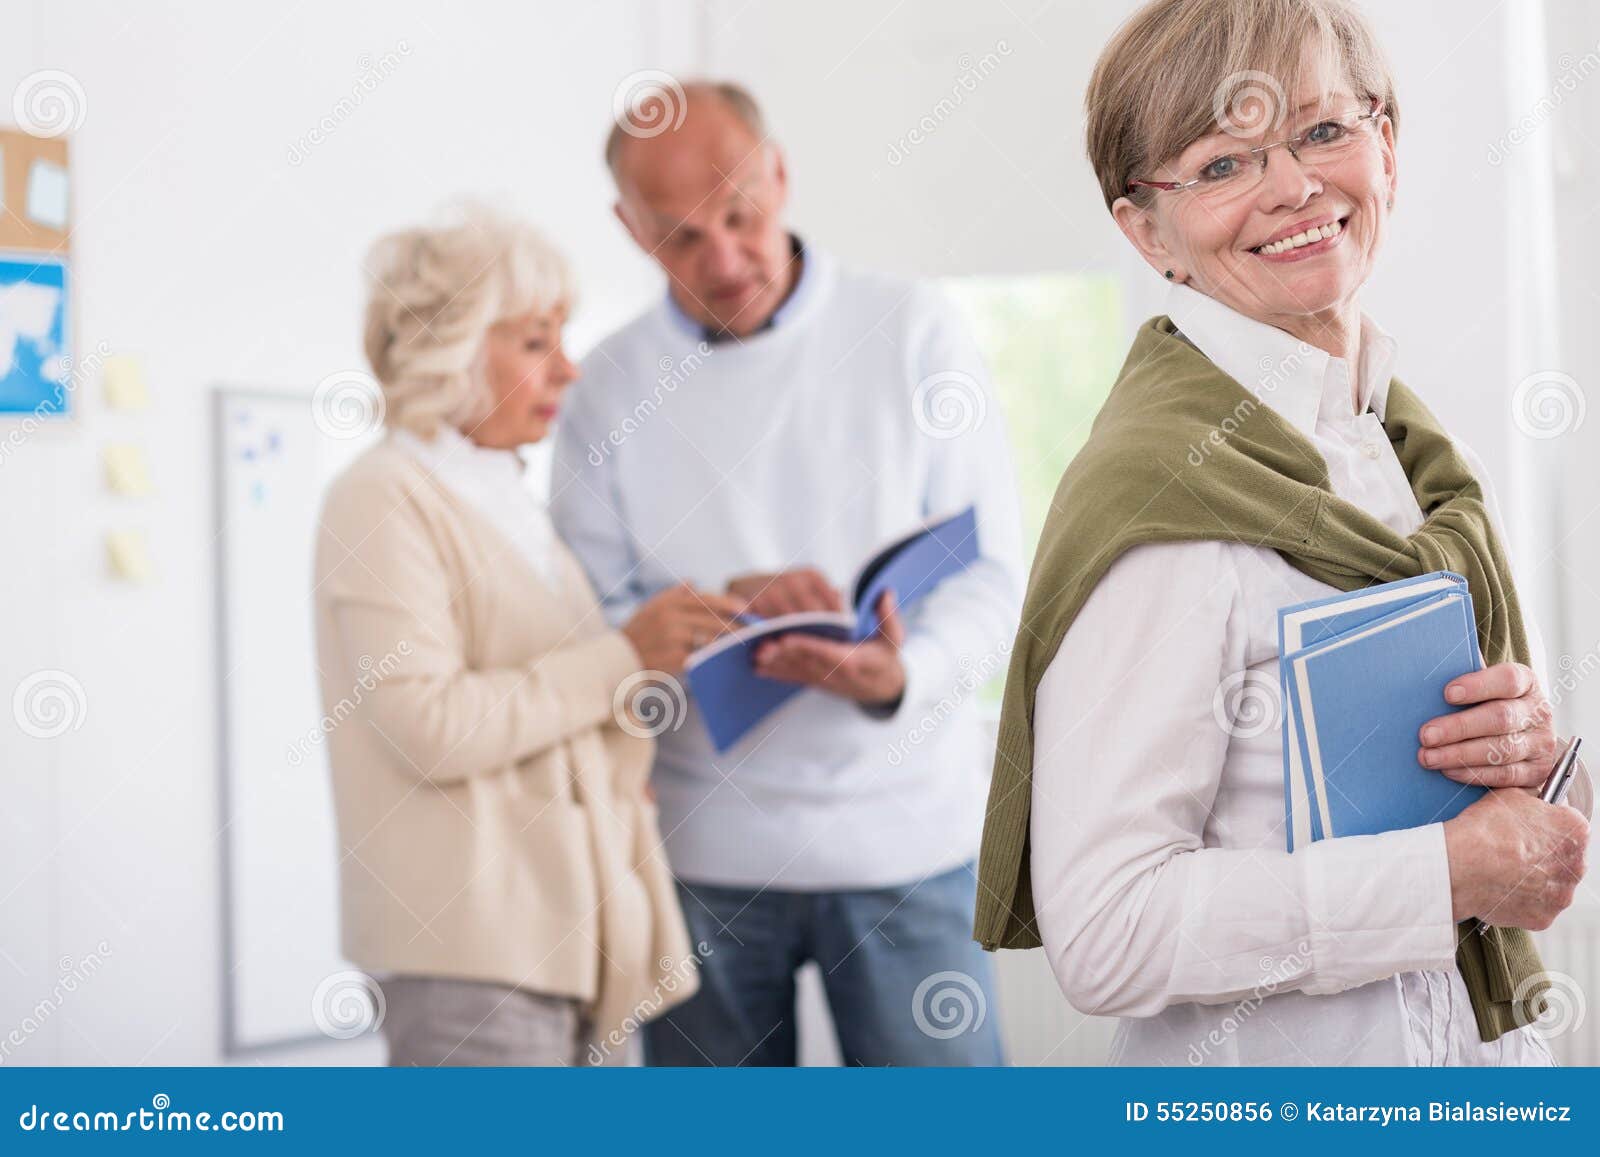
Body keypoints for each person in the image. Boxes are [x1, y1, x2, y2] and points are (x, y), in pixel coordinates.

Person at [975, 0, 1591, 1066]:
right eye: (1221, 164)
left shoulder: (1410, 451)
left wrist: (1531, 758)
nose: (1293, 187)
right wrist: (1441, 874)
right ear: (1144, 229)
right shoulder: (1164, 500)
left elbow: (1494, 829)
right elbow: (1106, 930)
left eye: (1322, 130)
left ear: (1384, 147)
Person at [551, 83, 1024, 1066]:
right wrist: (727, 616)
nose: (722, 261)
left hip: (910, 846)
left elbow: (988, 578)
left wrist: (905, 674)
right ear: (627, 230)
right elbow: (590, 626)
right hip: (705, 862)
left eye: (740, 216)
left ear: (779, 175)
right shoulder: (604, 388)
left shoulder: (911, 328)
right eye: (680, 238)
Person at [312, 207, 744, 1066]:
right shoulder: (382, 496)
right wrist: (624, 654)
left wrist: (706, 625)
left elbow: (554, 692)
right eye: (538, 342)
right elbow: (428, 723)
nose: (570, 369)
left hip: (568, 940)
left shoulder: (500, 497)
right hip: (472, 954)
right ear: (458, 348)